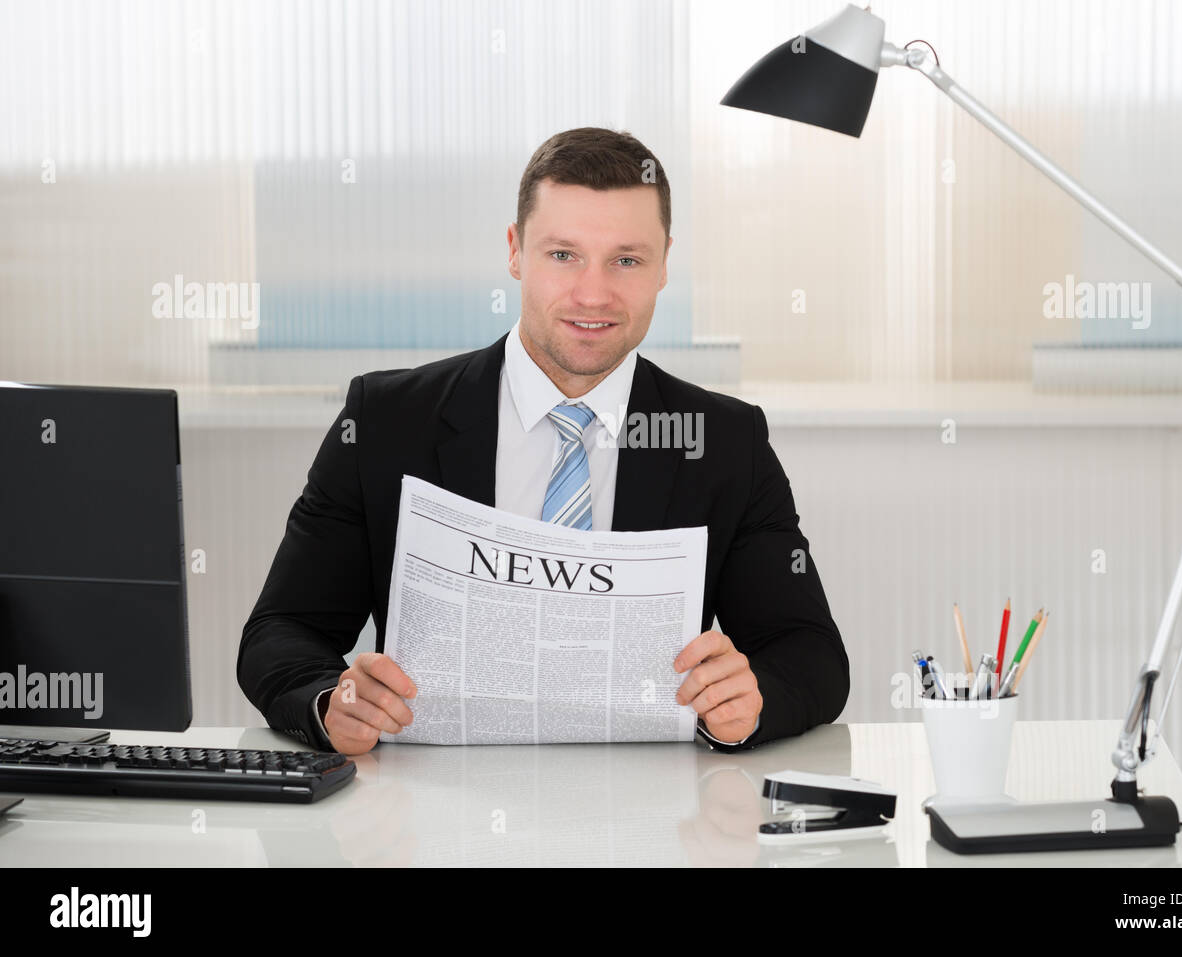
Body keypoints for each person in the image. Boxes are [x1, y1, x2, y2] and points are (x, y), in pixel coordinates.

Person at [238, 127, 849, 755]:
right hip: (429, 815)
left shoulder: (724, 440)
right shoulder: (386, 421)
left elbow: (810, 653)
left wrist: (750, 702)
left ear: (664, 263)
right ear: (515, 251)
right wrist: (330, 700)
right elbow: (282, 631)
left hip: (651, 818)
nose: (593, 293)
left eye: (627, 259)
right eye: (563, 255)